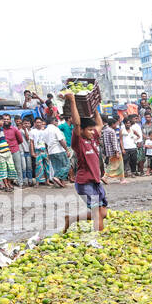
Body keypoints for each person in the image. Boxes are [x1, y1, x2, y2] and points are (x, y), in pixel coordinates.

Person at [61, 89, 108, 232]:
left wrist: (95, 108)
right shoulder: (79, 141)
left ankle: (71, 218)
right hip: (84, 182)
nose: (93, 131)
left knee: (103, 213)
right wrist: (73, 101)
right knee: (97, 213)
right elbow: (76, 124)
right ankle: (99, 240)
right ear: (82, 131)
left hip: (96, 182)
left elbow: (99, 125)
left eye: (92, 130)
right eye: (89, 129)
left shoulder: (93, 138)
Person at [41, 116, 68, 186]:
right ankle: (57, 177)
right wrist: (66, 149)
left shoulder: (44, 131)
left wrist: (47, 151)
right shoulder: (55, 129)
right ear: (53, 121)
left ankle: (60, 182)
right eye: (56, 121)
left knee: (57, 168)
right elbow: (61, 140)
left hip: (51, 151)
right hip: (59, 150)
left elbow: (45, 143)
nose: (57, 122)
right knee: (66, 165)